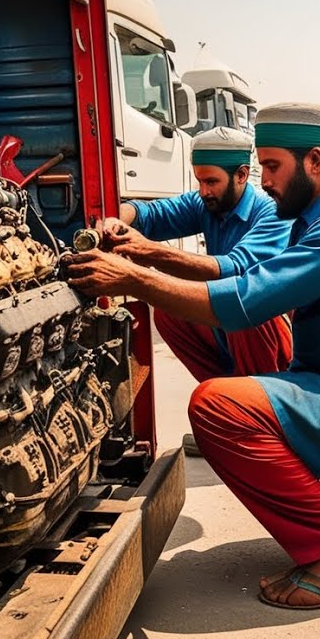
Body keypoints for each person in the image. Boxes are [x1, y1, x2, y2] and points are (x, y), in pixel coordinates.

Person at [65, 103, 320, 610]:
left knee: (216, 408)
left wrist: (136, 278)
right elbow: (174, 224)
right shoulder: (315, 214)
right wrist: (134, 237)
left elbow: (245, 299)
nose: (264, 180)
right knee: (196, 333)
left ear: (314, 161)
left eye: (271, 167)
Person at [99, 126, 293, 455]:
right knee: (170, 310)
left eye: (211, 182)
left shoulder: (272, 214)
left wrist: (147, 255)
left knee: (244, 306)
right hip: (232, 326)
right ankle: (230, 414)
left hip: (278, 342)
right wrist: (114, 221)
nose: (203, 191)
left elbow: (235, 268)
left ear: (242, 175)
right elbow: (149, 213)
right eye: (199, 181)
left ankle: (266, 424)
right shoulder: (206, 203)